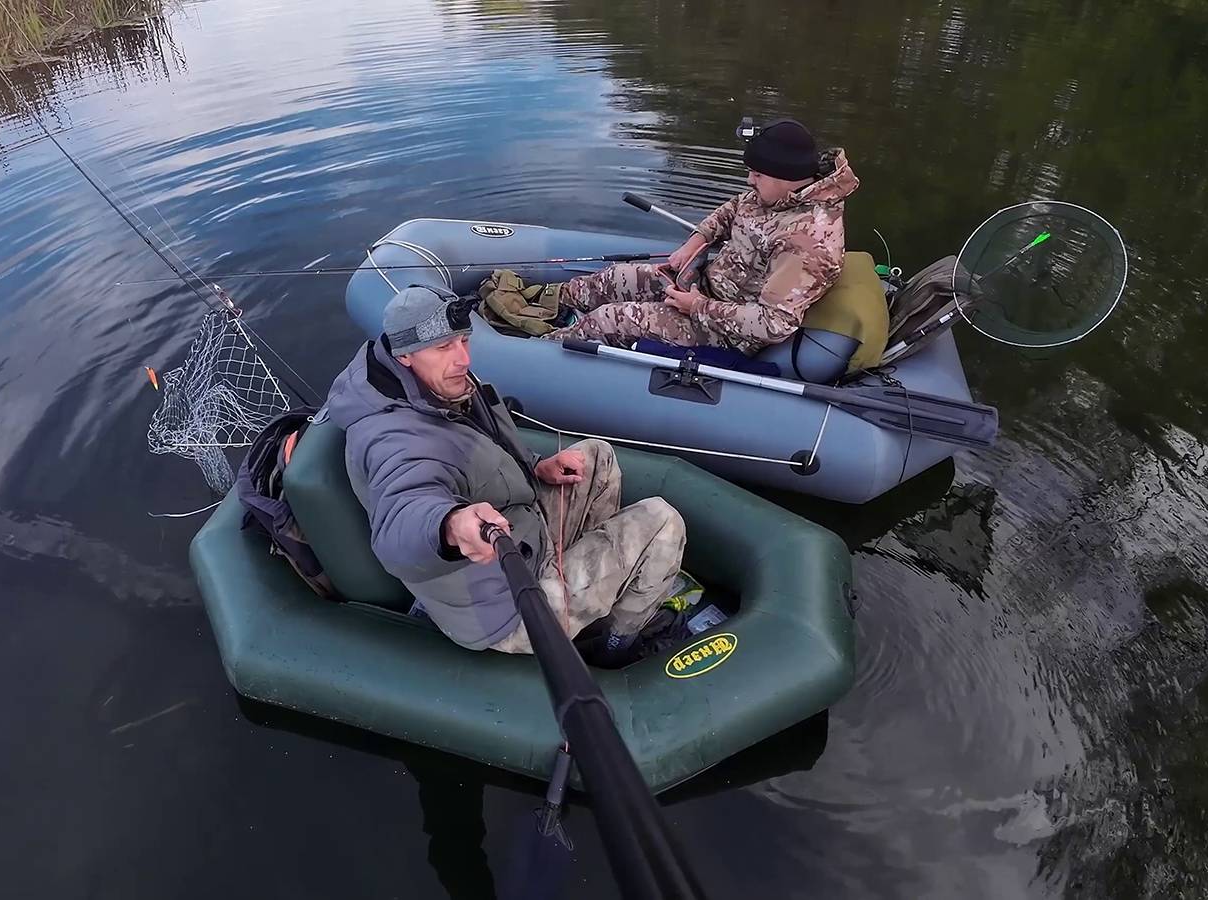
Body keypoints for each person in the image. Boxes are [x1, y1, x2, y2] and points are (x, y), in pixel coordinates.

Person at [322, 286, 687, 665]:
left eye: (464, 340)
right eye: (444, 347)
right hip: (506, 603)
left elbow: (487, 444)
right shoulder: (393, 438)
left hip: (523, 537)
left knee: (597, 455)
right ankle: (614, 645)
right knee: (663, 522)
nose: (463, 358)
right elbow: (404, 512)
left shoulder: (434, 386)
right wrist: (449, 525)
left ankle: (594, 586)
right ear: (405, 355)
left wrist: (534, 464)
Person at [546, 118, 860, 354]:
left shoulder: (806, 243)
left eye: (757, 174)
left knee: (611, 319)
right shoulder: (775, 195)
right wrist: (694, 243)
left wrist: (697, 306)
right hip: (703, 287)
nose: (749, 180)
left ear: (786, 176)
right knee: (615, 278)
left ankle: (539, 349)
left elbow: (773, 324)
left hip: (728, 331)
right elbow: (732, 210)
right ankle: (543, 303)